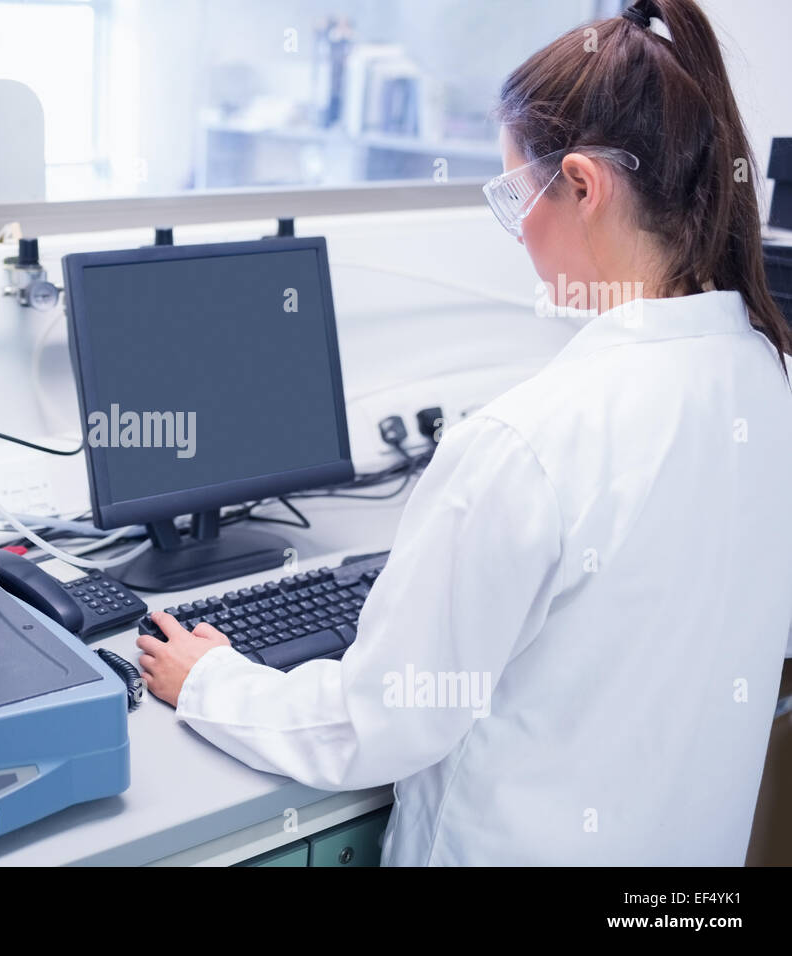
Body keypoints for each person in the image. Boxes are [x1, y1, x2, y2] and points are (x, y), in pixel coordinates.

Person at [136, 0, 792, 865]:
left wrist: (214, 682)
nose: (517, 227)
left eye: (516, 191)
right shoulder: (761, 377)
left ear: (585, 187)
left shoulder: (530, 443)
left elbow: (382, 722)